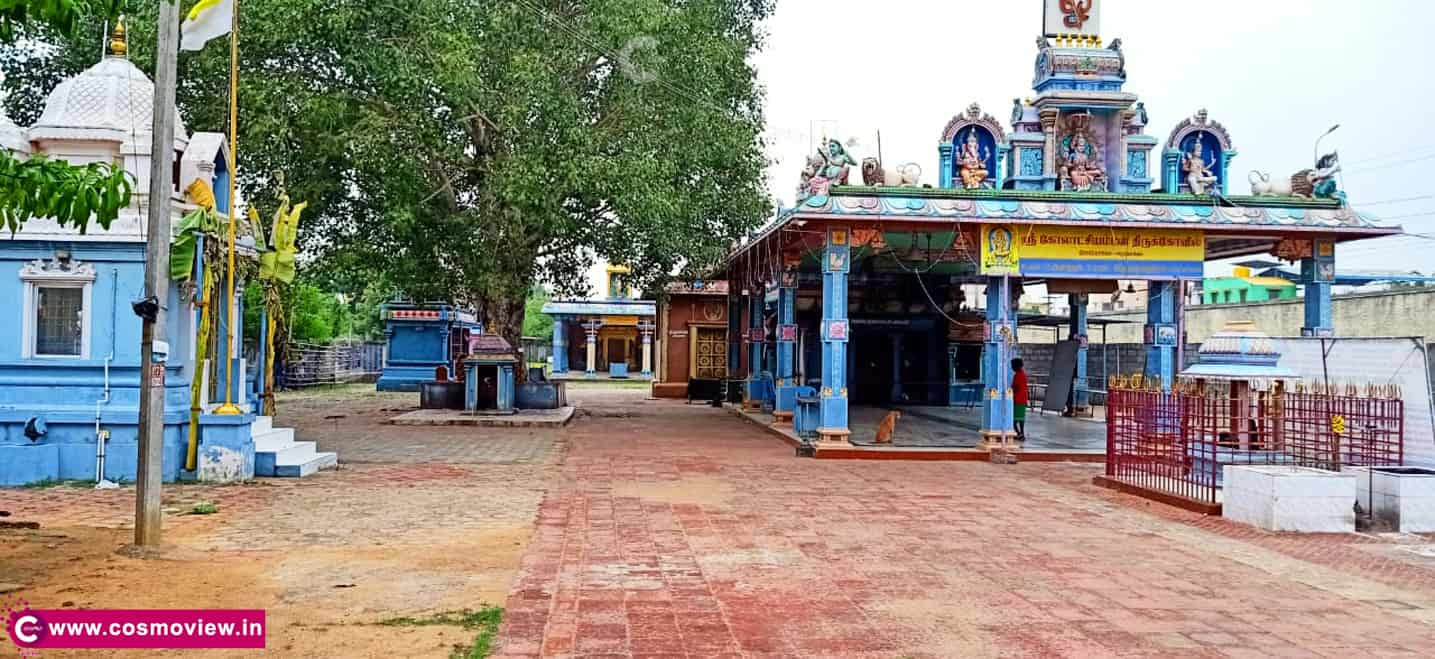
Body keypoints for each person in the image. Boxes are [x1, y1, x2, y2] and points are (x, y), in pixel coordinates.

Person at [1011, 358, 1028, 443]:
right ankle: (1021, 433)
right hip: (1023, 399)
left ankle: (1019, 433)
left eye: (1013, 365)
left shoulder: (1018, 375)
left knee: (1013, 420)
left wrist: (1011, 390)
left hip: (1017, 399)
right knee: (1021, 418)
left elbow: (1015, 387)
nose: (1012, 367)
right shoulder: (1023, 374)